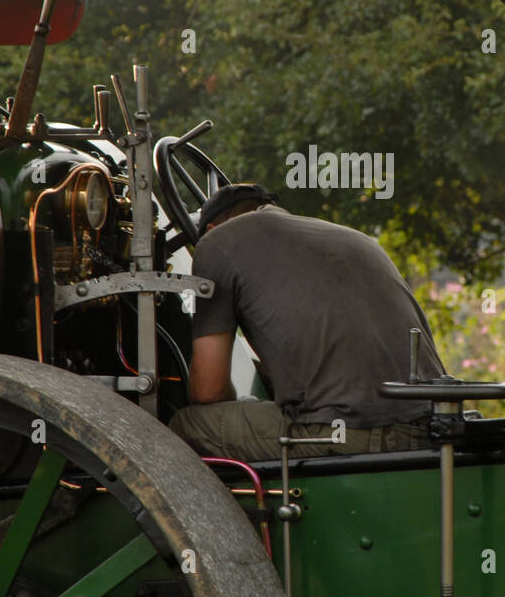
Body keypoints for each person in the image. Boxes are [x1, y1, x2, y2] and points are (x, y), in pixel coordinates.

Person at [168, 183, 443, 461]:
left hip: (349, 431)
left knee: (186, 425)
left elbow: (209, 391)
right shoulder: (355, 238)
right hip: (431, 426)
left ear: (212, 228)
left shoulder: (217, 242)